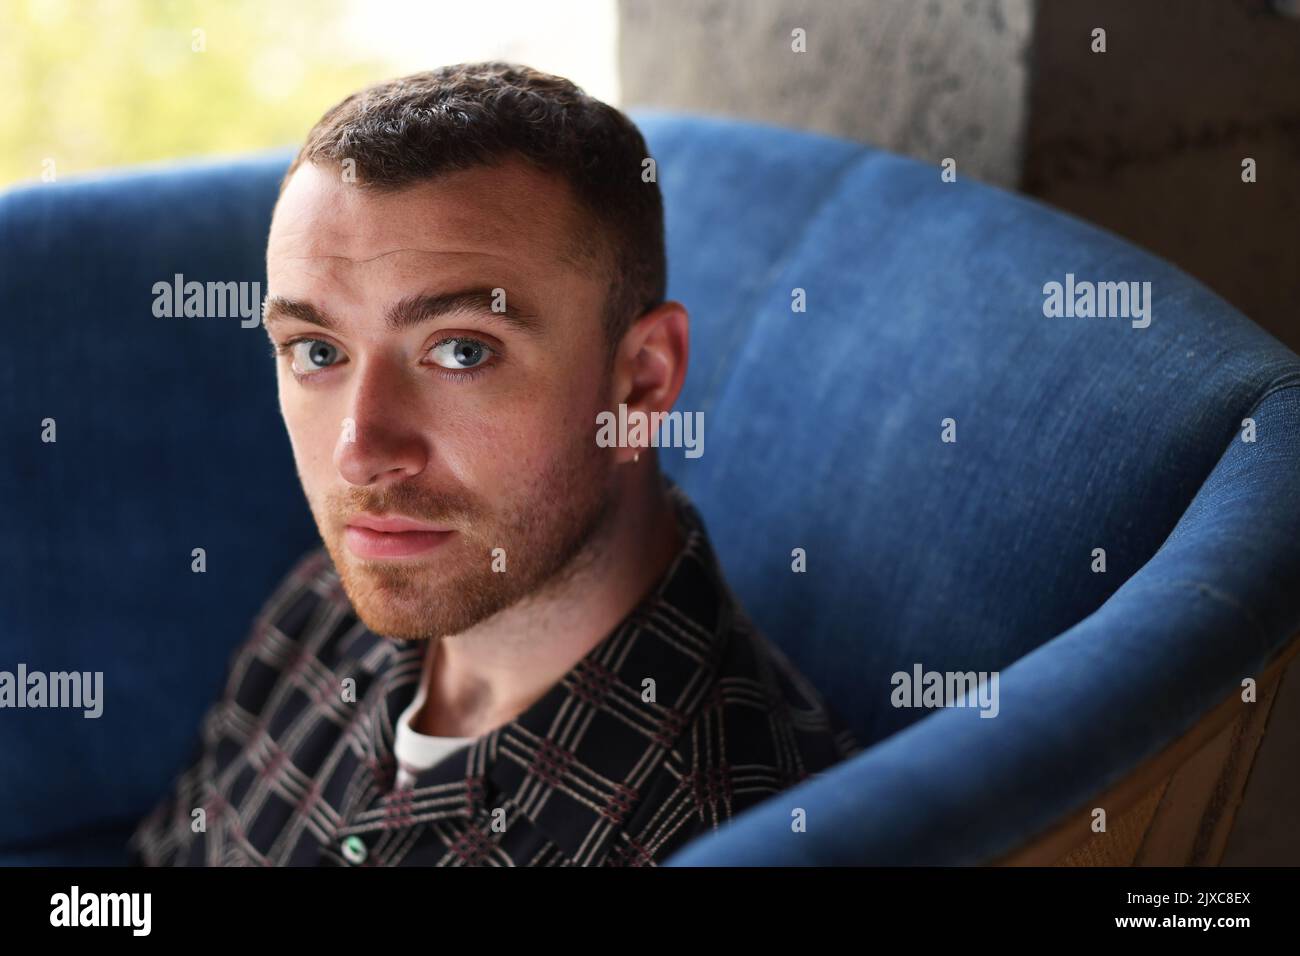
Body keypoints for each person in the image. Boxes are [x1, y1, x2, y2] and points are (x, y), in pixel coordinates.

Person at [129, 61, 860, 867]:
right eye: (317, 350)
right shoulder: (330, 601)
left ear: (642, 380)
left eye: (462, 350)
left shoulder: (724, 828)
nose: (361, 453)